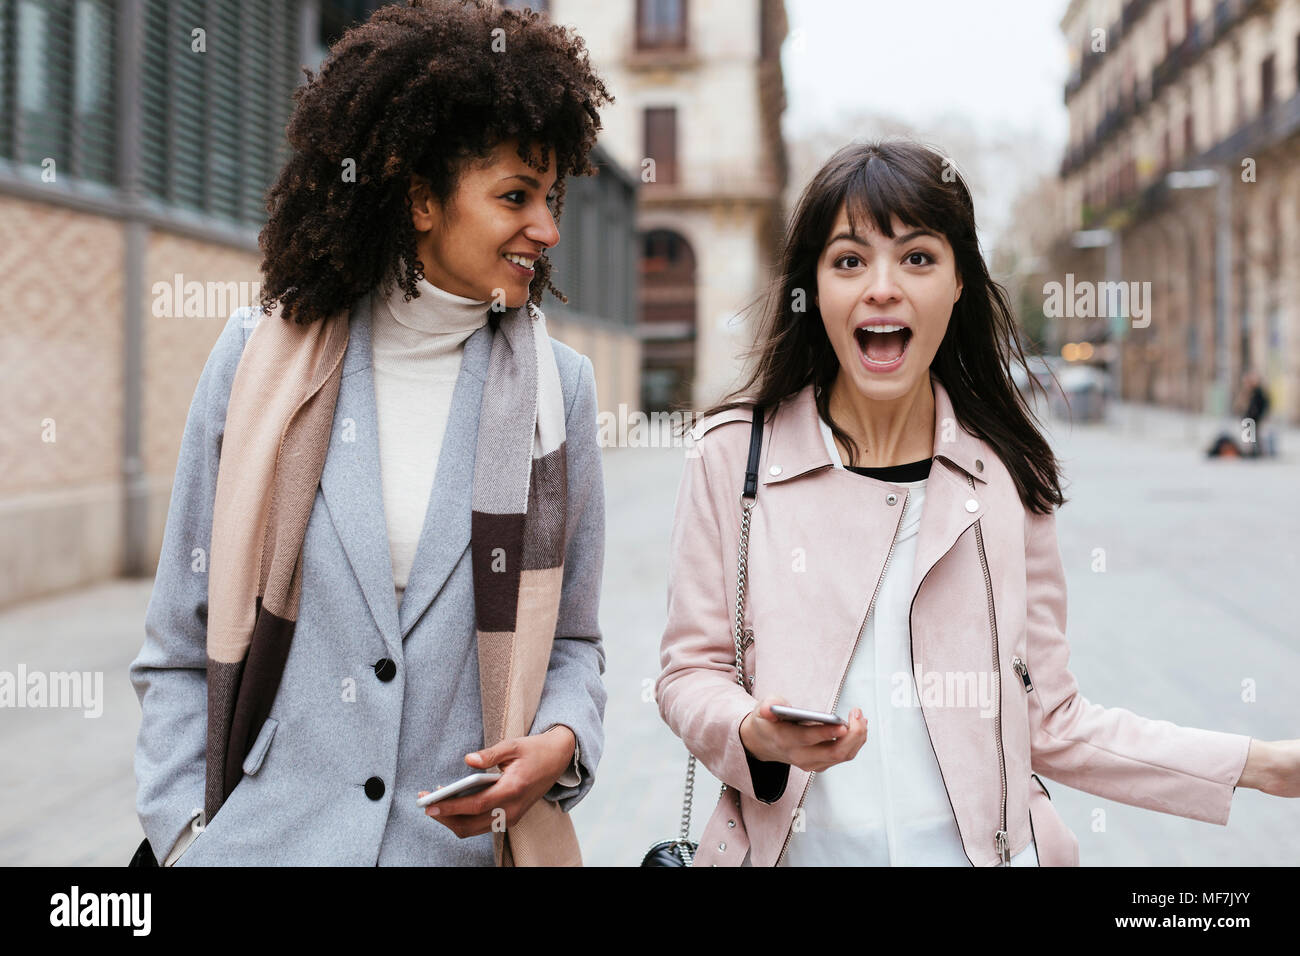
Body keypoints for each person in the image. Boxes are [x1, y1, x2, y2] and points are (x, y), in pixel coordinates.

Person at [656, 139, 1299, 866]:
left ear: (959, 280)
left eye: (917, 257)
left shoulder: (1004, 472)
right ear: (813, 286)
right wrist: (752, 733)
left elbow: (1052, 722)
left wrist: (1266, 765)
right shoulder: (730, 455)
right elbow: (689, 672)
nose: (882, 288)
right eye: (849, 260)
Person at [129, 0, 613, 866]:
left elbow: (574, 643)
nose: (545, 229)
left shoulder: (561, 390)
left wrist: (562, 742)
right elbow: (178, 640)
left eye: (552, 199)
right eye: (515, 196)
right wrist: (184, 840)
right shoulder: (254, 361)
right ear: (422, 198)